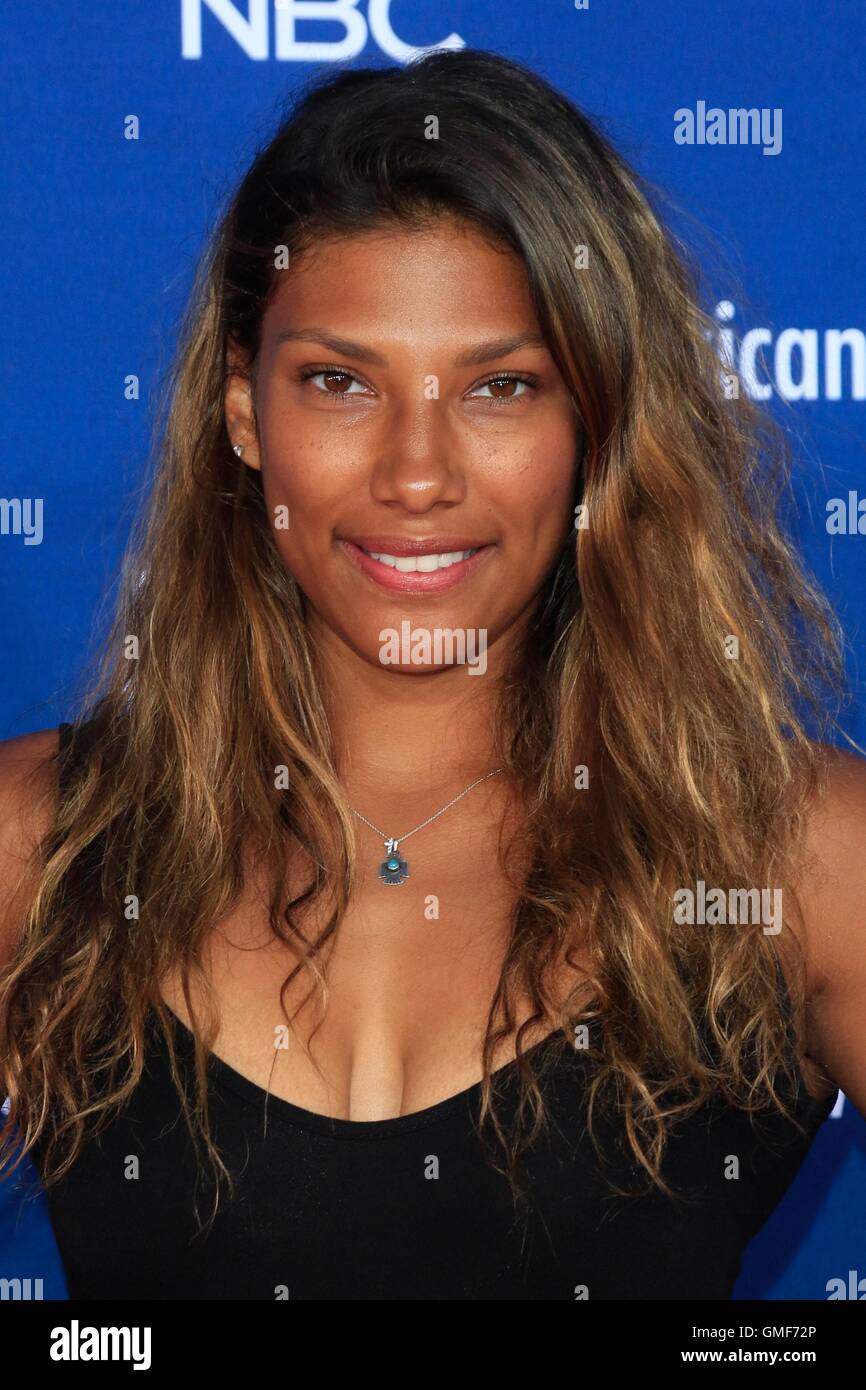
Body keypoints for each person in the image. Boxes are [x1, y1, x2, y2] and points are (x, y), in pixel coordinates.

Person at [1, 48, 864, 1301]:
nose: (416, 475)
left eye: (499, 386)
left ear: (597, 419)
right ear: (244, 411)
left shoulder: (795, 863)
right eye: (340, 382)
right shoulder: (39, 849)